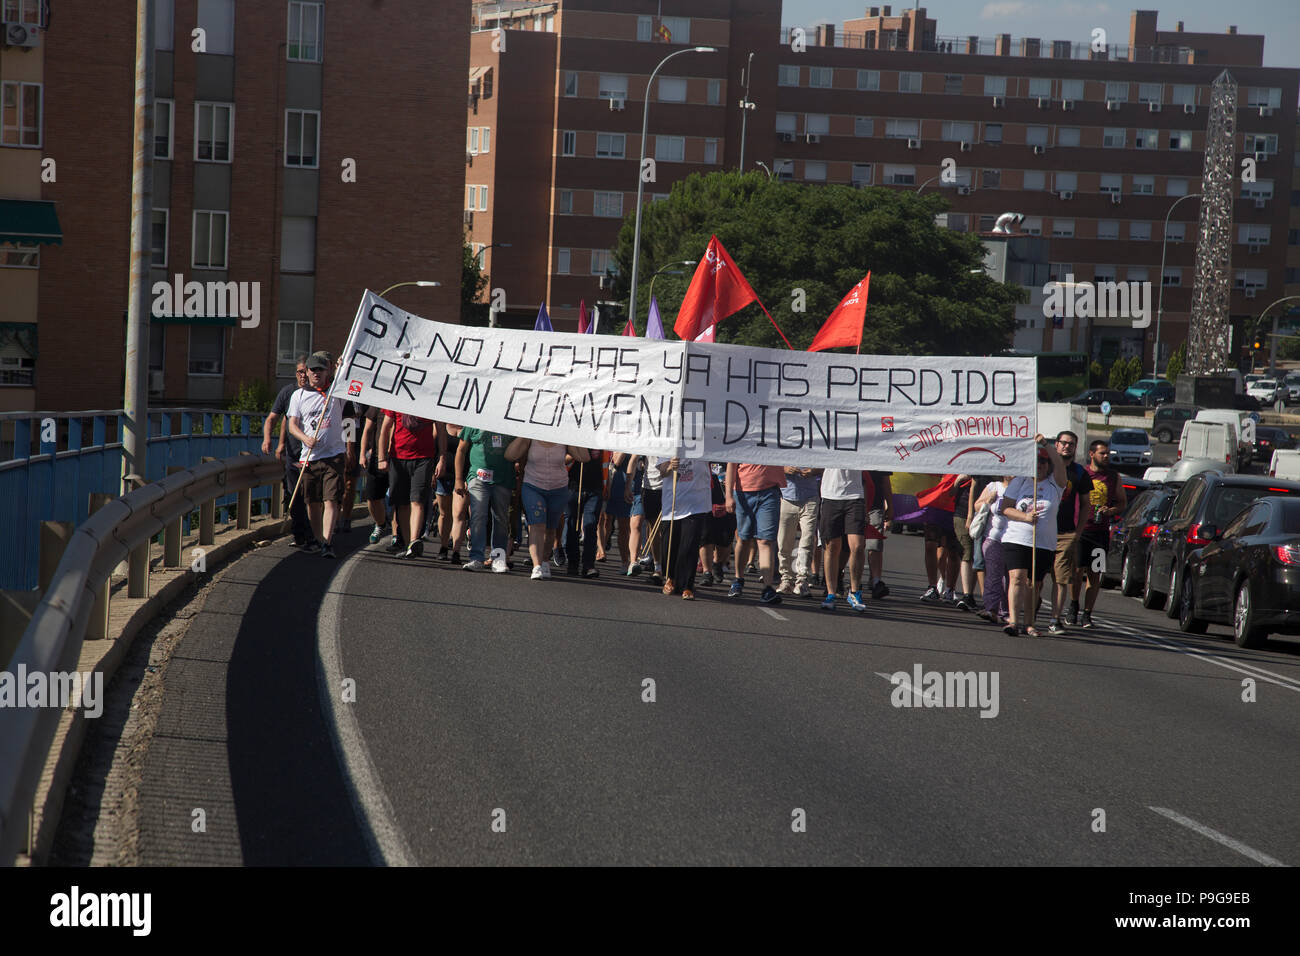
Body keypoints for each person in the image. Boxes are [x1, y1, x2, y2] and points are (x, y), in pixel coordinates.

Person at [286, 351, 356, 558]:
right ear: (306, 372)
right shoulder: (298, 396)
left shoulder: (336, 391)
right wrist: (304, 438)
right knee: (312, 502)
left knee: (331, 499)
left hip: (334, 455)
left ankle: (327, 542)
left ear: (327, 372)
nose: (316, 373)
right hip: (310, 456)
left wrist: (342, 367)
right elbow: (292, 425)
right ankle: (318, 538)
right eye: (312, 370)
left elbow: (349, 418)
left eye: (320, 370)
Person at [998, 437, 1067, 637]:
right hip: (1017, 538)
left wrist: (1046, 445)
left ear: (1048, 465)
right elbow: (1006, 509)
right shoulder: (1019, 481)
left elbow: (1060, 465)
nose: (1039, 466)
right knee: (1017, 578)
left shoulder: (1056, 484)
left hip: (1043, 542)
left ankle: (1029, 623)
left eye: (1043, 462)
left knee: (1034, 583)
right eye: (1035, 462)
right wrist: (1025, 517)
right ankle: (1013, 621)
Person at [506, 437, 590, 579]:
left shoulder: (563, 436)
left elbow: (584, 457)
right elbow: (509, 455)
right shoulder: (531, 436)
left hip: (558, 489)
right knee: (537, 525)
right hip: (533, 486)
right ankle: (537, 566)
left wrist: (574, 434)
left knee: (551, 529)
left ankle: (545, 561)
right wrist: (523, 432)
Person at [378, 408, 442, 560]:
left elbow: (440, 429)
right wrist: (382, 457)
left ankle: (414, 541)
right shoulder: (397, 398)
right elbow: (385, 428)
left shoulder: (430, 400)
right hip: (398, 457)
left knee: (417, 500)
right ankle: (408, 545)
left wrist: (442, 457)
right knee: (402, 504)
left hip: (424, 457)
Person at [1076, 439, 1126, 628]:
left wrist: (1111, 511)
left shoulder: (1114, 477)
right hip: (1082, 531)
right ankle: (1073, 604)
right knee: (1076, 571)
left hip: (1100, 533)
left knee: (1095, 573)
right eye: (1102, 453)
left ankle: (1087, 613)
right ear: (1091, 454)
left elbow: (1122, 503)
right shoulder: (1082, 473)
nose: (1106, 456)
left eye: (1107, 453)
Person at [1047, 430, 1093, 631]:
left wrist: (1078, 531)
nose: (1067, 446)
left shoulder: (1080, 473)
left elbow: (1085, 504)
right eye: (1063, 443)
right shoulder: (1044, 466)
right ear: (1056, 444)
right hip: (1040, 530)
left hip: (1065, 533)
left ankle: (1055, 619)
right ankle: (1030, 612)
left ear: (1075, 448)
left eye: (1071, 444)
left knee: (1061, 579)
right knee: (1035, 579)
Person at [263, 356, 311, 546]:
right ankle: (300, 534)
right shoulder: (288, 393)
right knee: (294, 493)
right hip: (294, 453)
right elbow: (276, 419)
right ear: (296, 374)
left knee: (311, 495)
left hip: (313, 453)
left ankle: (314, 533)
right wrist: (270, 440)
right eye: (300, 372)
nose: (303, 375)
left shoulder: (316, 393)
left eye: (306, 371)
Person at [724, 461, 786, 605]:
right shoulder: (742, 438)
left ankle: (767, 588)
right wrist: (728, 496)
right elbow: (731, 464)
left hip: (770, 491)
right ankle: (738, 579)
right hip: (743, 491)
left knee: (765, 541)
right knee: (744, 539)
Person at [456, 426, 515, 572]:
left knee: (501, 518)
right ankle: (476, 557)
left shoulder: (510, 421)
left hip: (504, 479)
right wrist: (458, 478)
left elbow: (521, 449)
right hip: (477, 477)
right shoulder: (475, 419)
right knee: (478, 516)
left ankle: (498, 557)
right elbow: (461, 450)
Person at [657, 454, 713, 599]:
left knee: (689, 545)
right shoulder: (669, 443)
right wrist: (670, 466)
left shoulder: (704, 442)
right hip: (673, 503)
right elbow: (662, 471)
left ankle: (688, 585)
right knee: (668, 544)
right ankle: (670, 578)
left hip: (696, 503)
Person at [818, 468, 870, 612]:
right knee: (832, 547)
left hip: (855, 496)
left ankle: (854, 592)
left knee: (858, 546)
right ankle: (830, 594)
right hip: (830, 495)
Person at [973, 474, 1014, 624]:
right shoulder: (993, 486)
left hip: (1014, 540)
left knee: (1009, 578)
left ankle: (1007, 612)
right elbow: (977, 505)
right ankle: (991, 608)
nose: (1012, 474)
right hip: (992, 538)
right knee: (994, 574)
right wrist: (988, 500)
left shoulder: (1023, 488)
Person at [777, 465, 821, 596]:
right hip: (786, 497)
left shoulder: (816, 445)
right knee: (784, 542)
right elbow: (770, 462)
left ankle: (802, 581)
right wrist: (783, 468)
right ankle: (786, 579)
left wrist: (815, 470)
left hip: (810, 497)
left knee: (807, 540)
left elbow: (827, 465)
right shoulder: (783, 445)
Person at [359, 404, 396, 547]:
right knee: (372, 497)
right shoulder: (378, 404)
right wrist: (362, 454)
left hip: (398, 458)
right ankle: (380, 524)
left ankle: (397, 535)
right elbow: (367, 429)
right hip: (377, 458)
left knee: (396, 500)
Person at [566, 446, 605, 577]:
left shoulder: (599, 435)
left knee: (590, 525)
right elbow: (563, 459)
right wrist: (576, 453)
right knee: (572, 525)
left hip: (595, 488)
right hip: (574, 486)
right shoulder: (573, 434)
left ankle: (588, 564)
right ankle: (572, 562)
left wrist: (607, 484)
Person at [434, 422, 464, 560]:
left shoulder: (470, 425)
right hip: (443, 474)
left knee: (459, 513)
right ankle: (444, 546)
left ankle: (456, 551)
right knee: (445, 513)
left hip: (464, 475)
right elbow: (431, 447)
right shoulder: (441, 424)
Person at [864, 470, 892, 598]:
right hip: (853, 501)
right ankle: (839, 579)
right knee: (853, 545)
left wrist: (890, 506)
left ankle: (876, 581)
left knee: (875, 543)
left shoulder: (880, 452)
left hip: (875, 504)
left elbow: (885, 480)